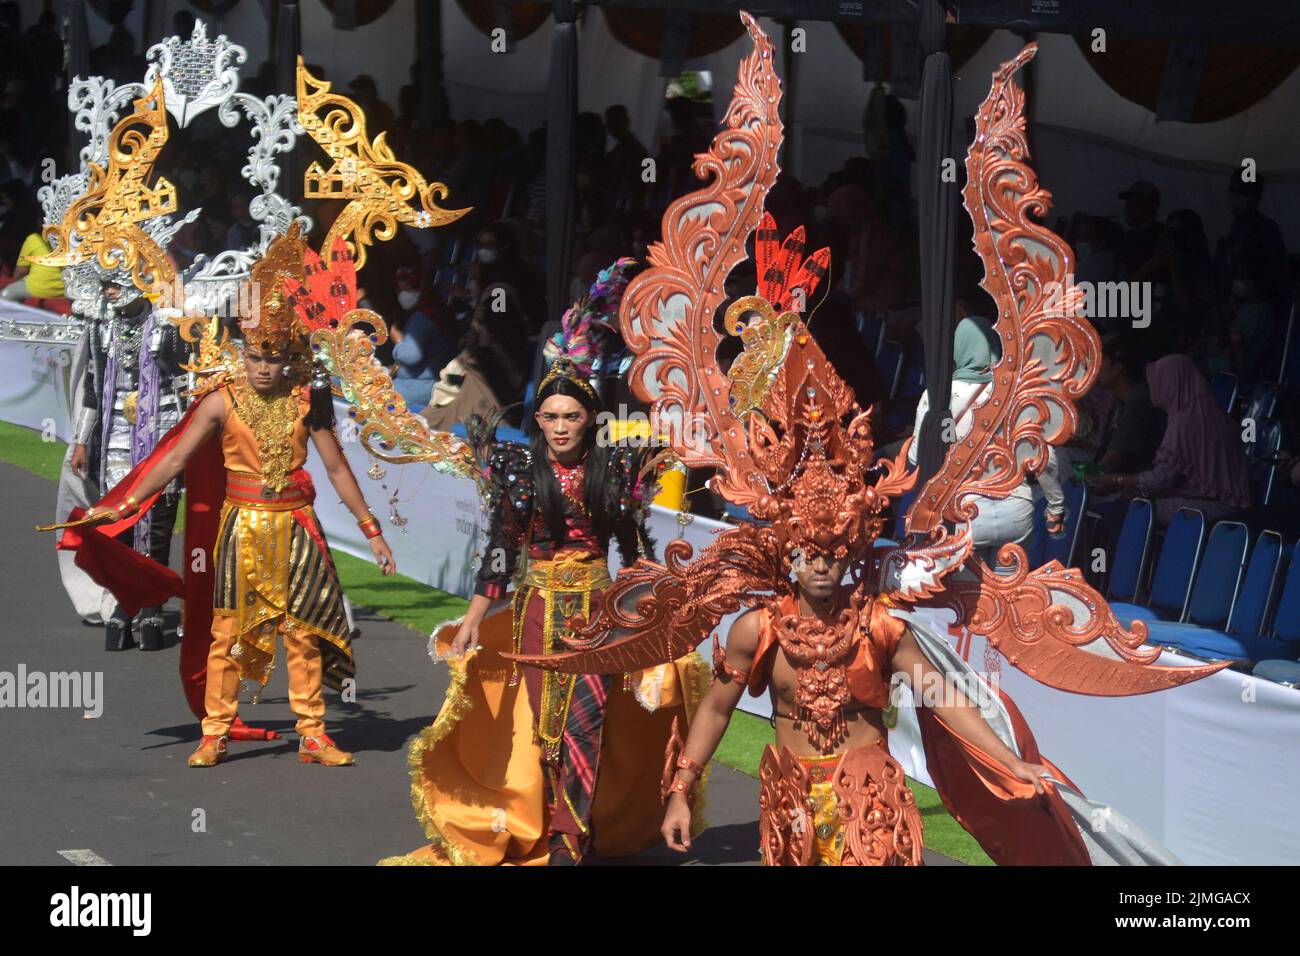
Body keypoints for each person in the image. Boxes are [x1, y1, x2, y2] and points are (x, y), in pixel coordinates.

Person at [383, 263, 704, 866]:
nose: (559, 427)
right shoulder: (518, 470)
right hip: (535, 611)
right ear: (539, 420)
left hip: (597, 613)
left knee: (587, 724)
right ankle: (549, 821)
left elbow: (635, 556)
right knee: (543, 729)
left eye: (571, 417)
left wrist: (650, 623)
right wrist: (476, 616)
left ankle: (568, 842)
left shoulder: (615, 469)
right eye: (550, 417)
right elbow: (501, 548)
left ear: (590, 419)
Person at [60, 227, 396, 767]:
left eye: (274, 358)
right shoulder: (221, 400)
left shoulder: (309, 399)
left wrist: (371, 530)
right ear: (243, 351)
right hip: (241, 526)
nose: (263, 367)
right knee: (227, 630)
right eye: (256, 355)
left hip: (296, 528)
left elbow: (336, 467)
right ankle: (214, 729)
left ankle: (313, 733)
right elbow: (171, 460)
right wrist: (121, 504)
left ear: (290, 356)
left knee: (302, 631)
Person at [909, 315, 1066, 555]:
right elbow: (1044, 458)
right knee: (1007, 590)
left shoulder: (937, 396)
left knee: (963, 590)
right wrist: (1055, 507)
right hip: (1017, 511)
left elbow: (917, 458)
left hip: (963, 512)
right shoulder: (1016, 397)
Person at [1088, 354, 1250, 526]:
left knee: (1128, 510)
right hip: (1221, 500)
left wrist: (1114, 480)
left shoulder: (1185, 420)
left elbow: (1161, 478)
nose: (1155, 386)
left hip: (1215, 506)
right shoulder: (1210, 410)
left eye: (1160, 379)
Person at [389, 266, 457, 412]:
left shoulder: (423, 317)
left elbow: (411, 355)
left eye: (407, 289)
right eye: (400, 290)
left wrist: (398, 342)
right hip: (433, 384)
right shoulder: (439, 310)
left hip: (420, 385)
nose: (402, 294)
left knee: (374, 397)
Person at [0, 229, 64, 300]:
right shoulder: (74, 240)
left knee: (6, 294)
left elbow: (21, 273)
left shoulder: (34, 238)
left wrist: (12, 284)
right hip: (64, 292)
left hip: (38, 290)